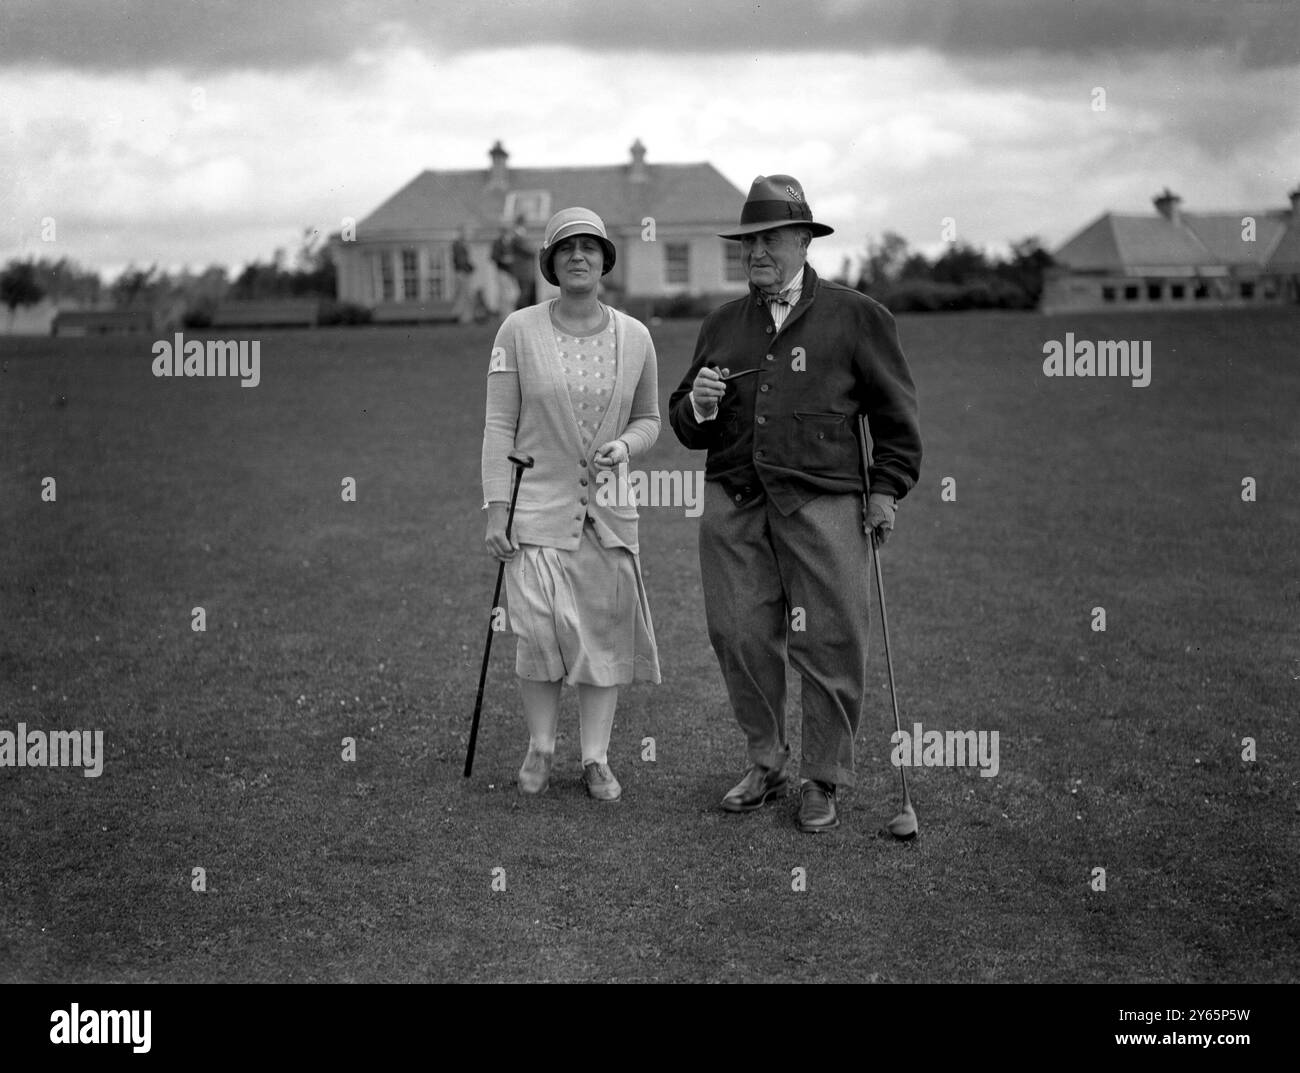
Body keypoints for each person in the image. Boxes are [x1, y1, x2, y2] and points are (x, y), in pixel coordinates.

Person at [668, 174, 922, 833]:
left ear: (805, 241)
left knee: (832, 637)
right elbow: (689, 421)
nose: (756, 251)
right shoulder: (723, 324)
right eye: (748, 241)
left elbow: (895, 415)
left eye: (770, 239)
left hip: (825, 502)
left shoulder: (858, 316)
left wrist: (887, 488)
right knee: (737, 632)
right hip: (735, 501)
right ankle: (767, 760)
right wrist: (696, 407)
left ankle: (823, 777)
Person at [481, 206, 661, 800]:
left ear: (605, 259)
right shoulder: (517, 330)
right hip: (532, 512)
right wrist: (493, 506)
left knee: (602, 639)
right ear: (552, 263)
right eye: (566, 249)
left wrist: (625, 445)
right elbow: (499, 424)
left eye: (590, 247)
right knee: (538, 635)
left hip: (607, 514)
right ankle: (540, 746)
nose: (578, 256)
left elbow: (649, 419)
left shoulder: (635, 336)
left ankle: (595, 758)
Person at [510, 215, 536, 309]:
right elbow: (530, 250)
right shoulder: (517, 237)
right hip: (523, 271)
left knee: (526, 293)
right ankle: (519, 313)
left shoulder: (520, 236)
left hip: (525, 270)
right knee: (524, 293)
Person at [491, 225, 518, 315]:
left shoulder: (510, 243)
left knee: (514, 293)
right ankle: (505, 315)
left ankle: (510, 313)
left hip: (511, 272)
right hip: (502, 271)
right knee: (505, 294)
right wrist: (503, 259)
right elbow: (493, 256)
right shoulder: (498, 243)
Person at [451, 226, 475, 324]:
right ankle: (460, 317)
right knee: (463, 294)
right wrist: (469, 267)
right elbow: (461, 261)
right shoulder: (458, 245)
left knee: (465, 295)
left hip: (463, 272)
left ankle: (464, 317)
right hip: (462, 272)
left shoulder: (461, 244)